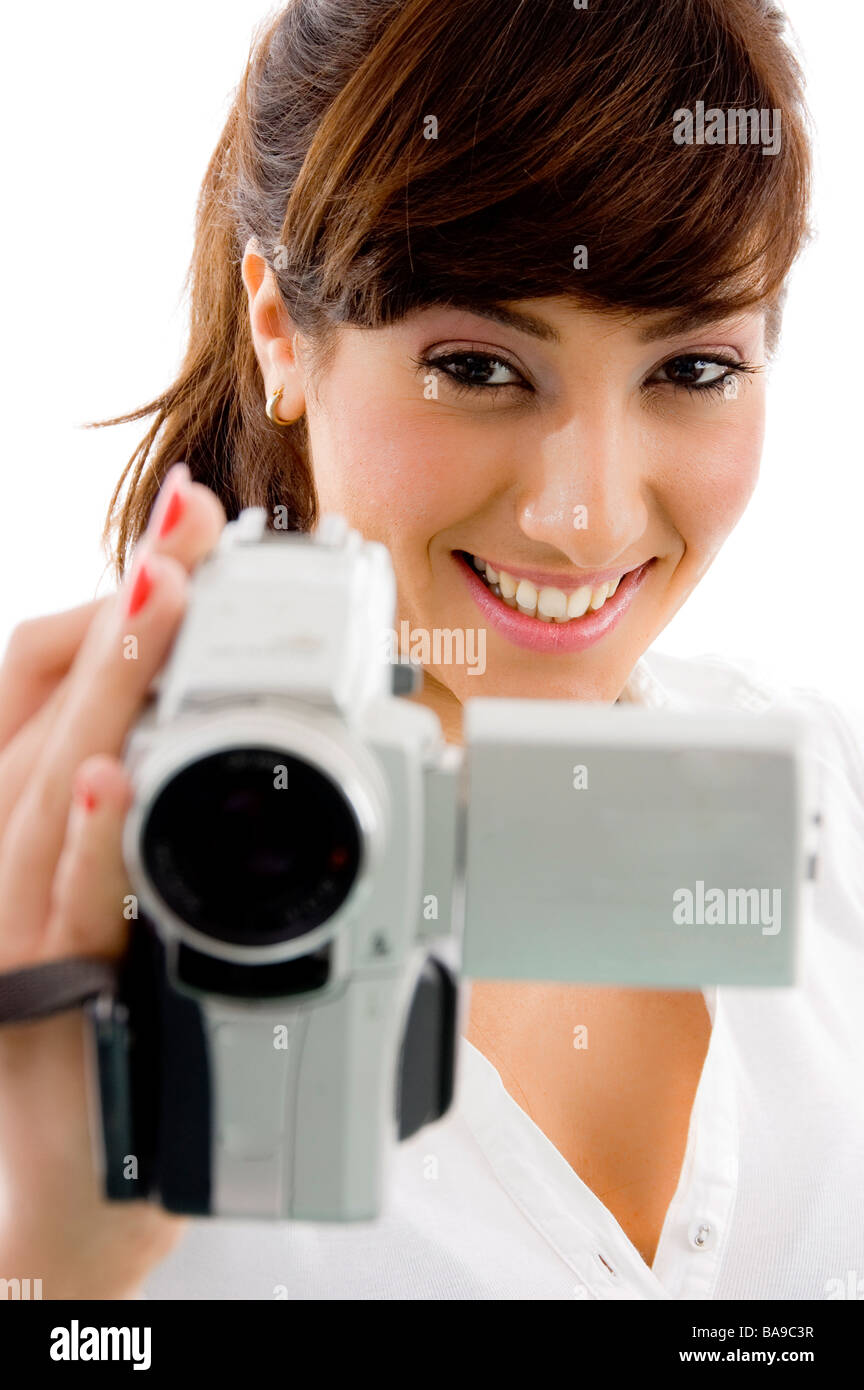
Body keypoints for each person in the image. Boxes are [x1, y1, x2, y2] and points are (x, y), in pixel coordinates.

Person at [1, 0, 862, 1300]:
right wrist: (57, 1281)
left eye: (690, 371)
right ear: (282, 329)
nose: (589, 516)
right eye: (477, 365)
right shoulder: (60, 896)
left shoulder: (827, 795)